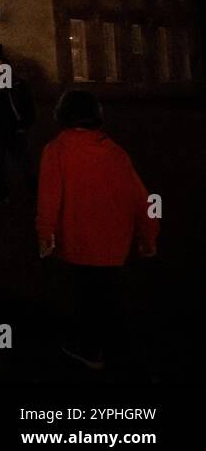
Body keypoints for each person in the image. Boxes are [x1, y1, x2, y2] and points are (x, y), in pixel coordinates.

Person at [36, 89, 159, 371]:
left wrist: (46, 234)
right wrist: (148, 234)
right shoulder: (116, 152)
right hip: (115, 240)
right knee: (108, 294)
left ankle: (91, 350)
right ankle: (118, 349)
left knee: (86, 298)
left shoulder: (56, 150)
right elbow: (140, 197)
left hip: (79, 240)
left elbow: (49, 198)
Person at [0, 54, 35, 203]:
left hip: (15, 130)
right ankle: (1, 195)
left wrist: (24, 125)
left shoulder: (18, 85)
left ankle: (36, 192)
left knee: (24, 163)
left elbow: (28, 107)